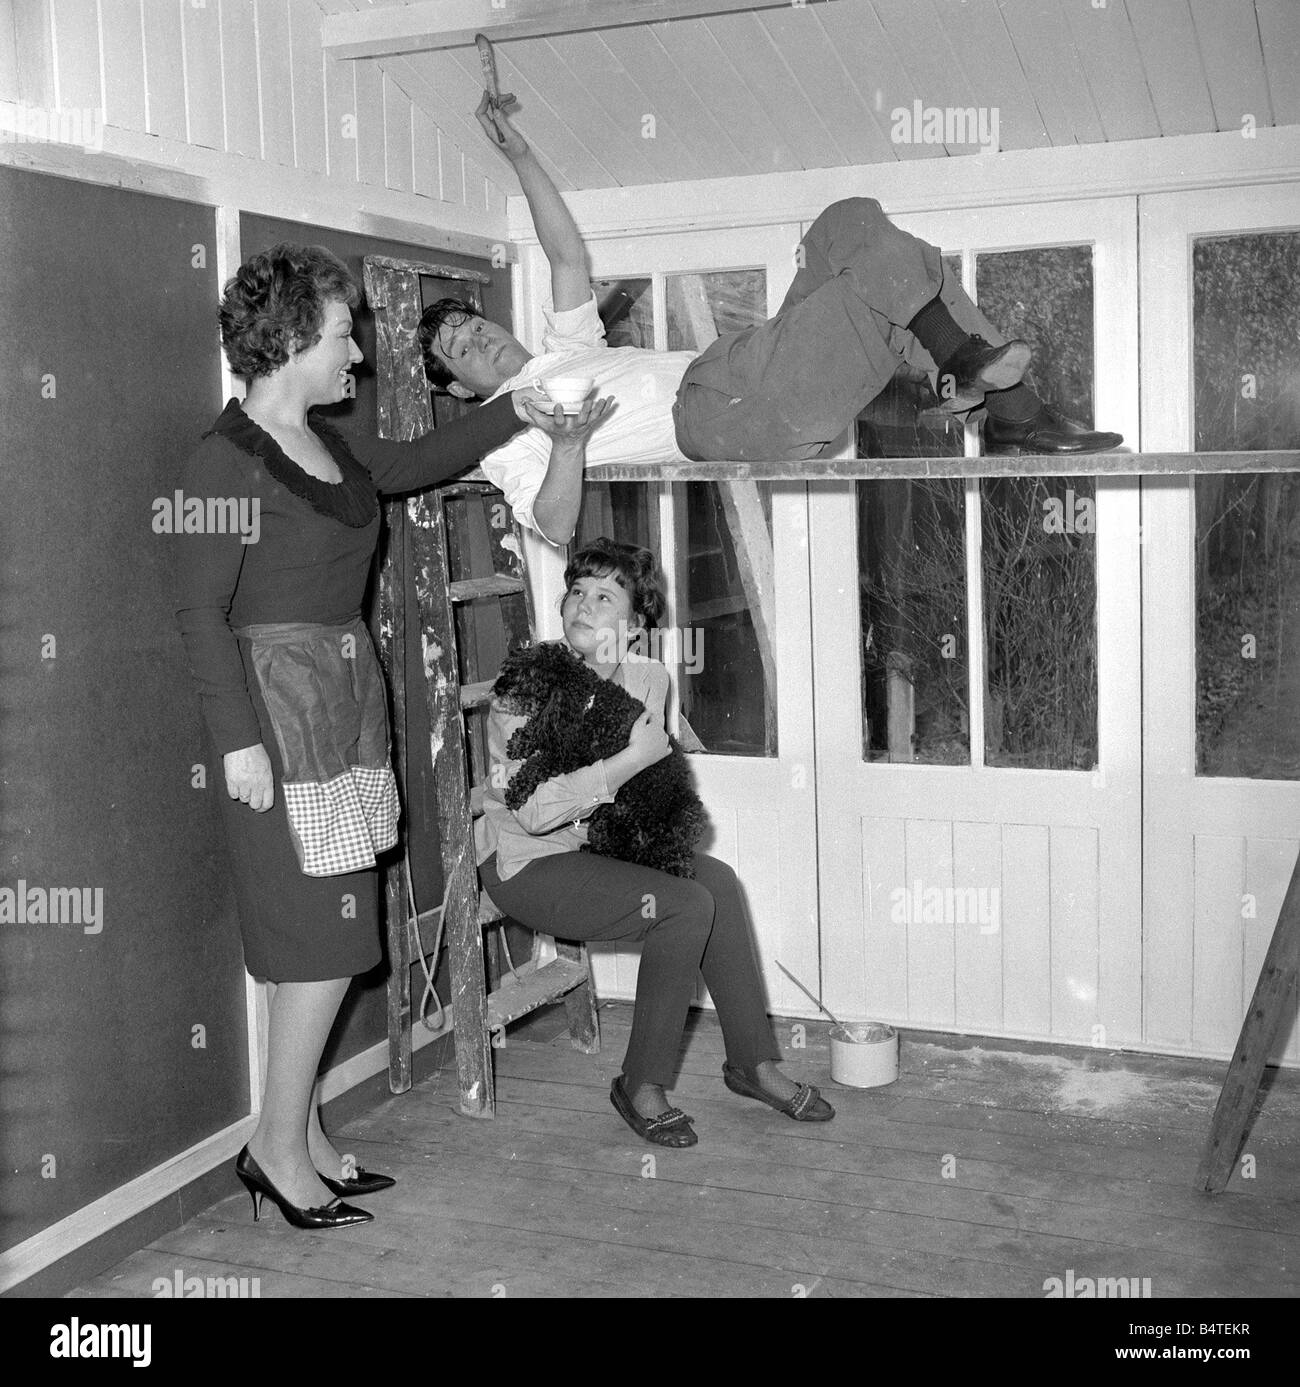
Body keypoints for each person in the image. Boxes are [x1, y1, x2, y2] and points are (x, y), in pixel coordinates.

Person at [173, 242, 611, 1230]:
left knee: (330, 936)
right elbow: (198, 613)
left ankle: (301, 1134)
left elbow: (417, 464)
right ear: (288, 340)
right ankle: (274, 1149)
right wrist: (238, 744)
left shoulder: (328, 441)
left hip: (340, 705)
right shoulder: (221, 459)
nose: (357, 358)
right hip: (278, 721)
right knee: (319, 943)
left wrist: (521, 408)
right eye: (340, 337)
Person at [417, 96, 1123, 546]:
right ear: (456, 389)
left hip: (734, 363)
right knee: (882, 291)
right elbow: (556, 527)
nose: (476, 337)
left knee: (852, 228)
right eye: (458, 349)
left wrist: (520, 155)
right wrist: (567, 444)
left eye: (472, 324)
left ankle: (990, 396)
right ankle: (994, 399)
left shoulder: (563, 351)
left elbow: (565, 251)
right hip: (718, 419)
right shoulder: (499, 442)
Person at [476, 537, 833, 1146]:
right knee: (684, 904)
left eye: (604, 597)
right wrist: (628, 762)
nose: (583, 606)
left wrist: (635, 785)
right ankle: (640, 1082)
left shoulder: (647, 679)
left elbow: (643, 798)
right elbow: (533, 813)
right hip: (525, 864)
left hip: (597, 848)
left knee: (715, 880)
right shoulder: (526, 689)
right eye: (577, 592)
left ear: (635, 625)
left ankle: (753, 1062)